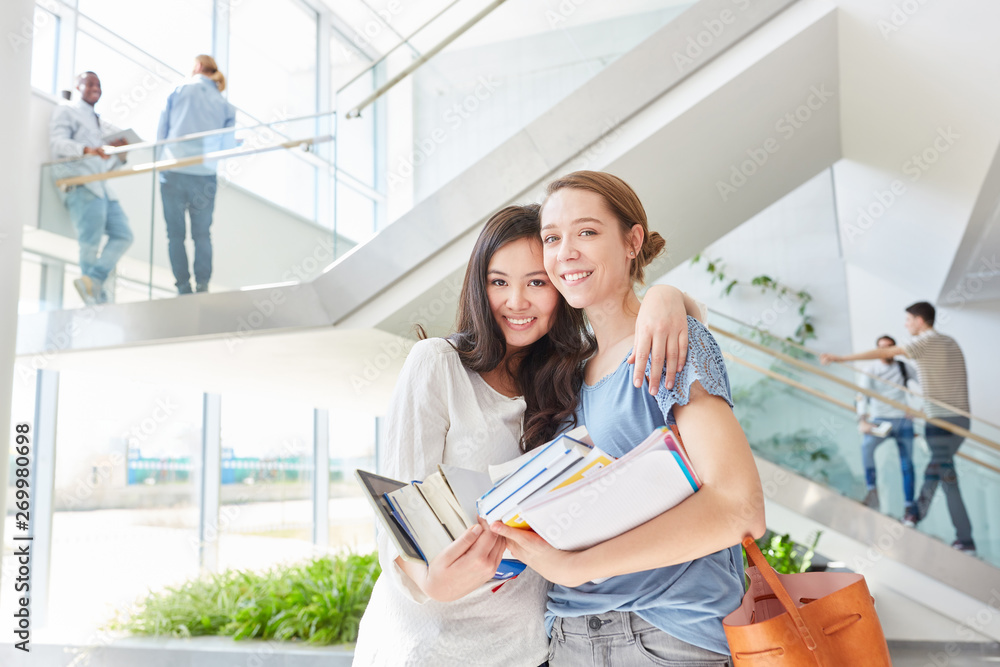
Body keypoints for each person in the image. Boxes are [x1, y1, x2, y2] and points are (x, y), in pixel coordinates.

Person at [351, 204, 703, 666]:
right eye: (499, 282)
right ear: (479, 286)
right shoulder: (438, 364)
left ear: (561, 286)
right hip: (429, 643)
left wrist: (666, 296)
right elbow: (395, 515)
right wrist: (431, 582)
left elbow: (686, 333)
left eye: (537, 282)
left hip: (528, 648)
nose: (516, 302)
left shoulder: (575, 380)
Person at [492, 171, 766, 666]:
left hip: (666, 634)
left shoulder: (672, 342)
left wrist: (576, 567)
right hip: (569, 636)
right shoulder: (565, 375)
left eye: (587, 232)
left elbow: (740, 509)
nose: (565, 252)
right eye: (552, 238)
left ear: (632, 241)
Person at [821, 301, 974, 553]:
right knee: (939, 470)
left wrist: (841, 358)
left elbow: (887, 353)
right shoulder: (951, 342)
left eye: (908, 320)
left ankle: (957, 536)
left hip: (940, 422)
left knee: (945, 476)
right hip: (960, 420)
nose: (906, 325)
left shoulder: (925, 341)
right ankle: (916, 515)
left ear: (919, 321)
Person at [50, 71, 134, 305]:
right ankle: (94, 300)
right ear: (78, 86)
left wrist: (121, 155)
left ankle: (93, 280)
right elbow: (57, 143)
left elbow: (105, 166)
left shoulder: (100, 123)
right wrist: (86, 149)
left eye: (98, 84)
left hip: (101, 186)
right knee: (90, 242)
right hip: (80, 184)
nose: (95, 87)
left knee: (124, 235)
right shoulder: (66, 110)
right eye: (89, 83)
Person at [156, 54, 236, 294]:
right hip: (204, 174)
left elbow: (162, 132)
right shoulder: (225, 105)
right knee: (202, 235)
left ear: (198, 67)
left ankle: (182, 287)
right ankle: (202, 286)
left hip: (174, 169)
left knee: (175, 235)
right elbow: (227, 145)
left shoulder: (179, 90)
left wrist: (160, 163)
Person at [856, 335, 918, 518]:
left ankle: (909, 507)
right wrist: (862, 420)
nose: (886, 350)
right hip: (879, 420)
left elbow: (924, 387)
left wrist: (915, 409)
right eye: (882, 347)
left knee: (907, 464)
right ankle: (872, 491)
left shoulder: (904, 367)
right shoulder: (871, 370)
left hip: (902, 420)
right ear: (876, 350)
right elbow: (862, 395)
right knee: (866, 448)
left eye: (890, 347)